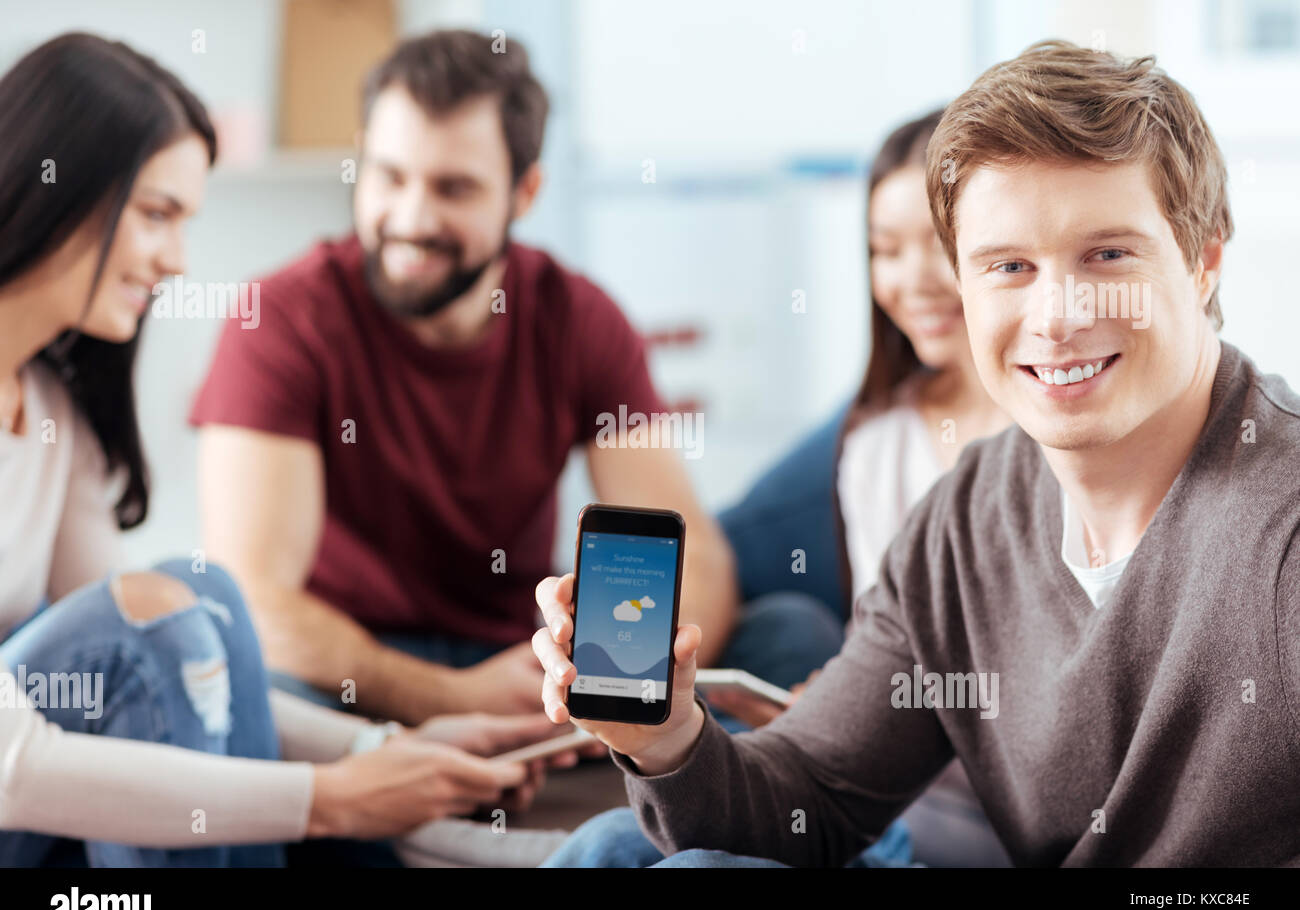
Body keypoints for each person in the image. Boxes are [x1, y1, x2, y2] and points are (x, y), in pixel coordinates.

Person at [532, 40, 1299, 867]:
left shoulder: (1280, 524)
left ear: (1204, 258)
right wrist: (666, 732)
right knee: (628, 845)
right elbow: (813, 795)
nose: (1055, 316)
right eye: (1008, 266)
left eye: (1107, 255)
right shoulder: (967, 516)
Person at [0, 32, 570, 868]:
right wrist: (331, 800)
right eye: (157, 214)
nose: (176, 260)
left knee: (200, 596)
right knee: (157, 622)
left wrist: (373, 746)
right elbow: (13, 763)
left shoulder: (53, 409)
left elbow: (159, 657)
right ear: (58, 188)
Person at [189, 29, 738, 724]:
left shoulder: (580, 318)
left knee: (781, 632)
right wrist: (450, 698)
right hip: (347, 668)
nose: (412, 218)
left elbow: (692, 564)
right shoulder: (279, 319)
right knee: (250, 699)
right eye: (389, 176)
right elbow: (255, 601)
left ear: (525, 190)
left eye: (454, 187)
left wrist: (613, 692)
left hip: (517, 657)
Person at [544, 110, 1015, 867]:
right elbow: (881, 647)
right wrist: (837, 705)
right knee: (604, 842)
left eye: (937, 243)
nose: (910, 278)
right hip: (868, 786)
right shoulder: (867, 443)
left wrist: (872, 710)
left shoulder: (1055, 440)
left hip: (956, 814)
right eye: (882, 250)